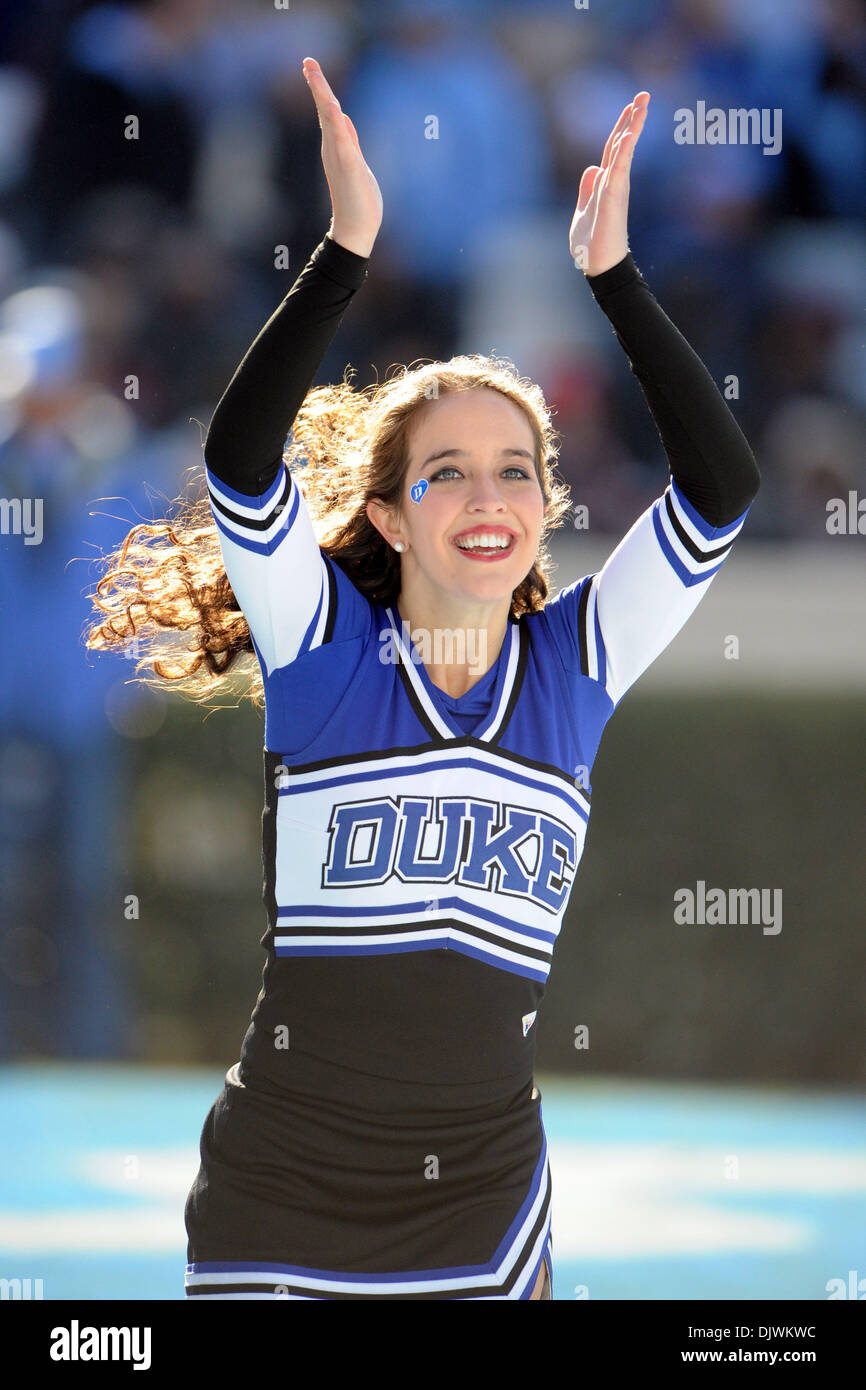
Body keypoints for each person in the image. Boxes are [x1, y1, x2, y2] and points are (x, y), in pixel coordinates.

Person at [85, 58, 760, 1299]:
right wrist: (343, 249)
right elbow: (241, 465)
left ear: (545, 506)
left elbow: (718, 490)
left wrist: (612, 278)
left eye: (514, 469)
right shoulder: (324, 651)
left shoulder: (576, 667)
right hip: (282, 1195)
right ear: (390, 518)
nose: (488, 496)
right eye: (445, 472)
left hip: (485, 1213)